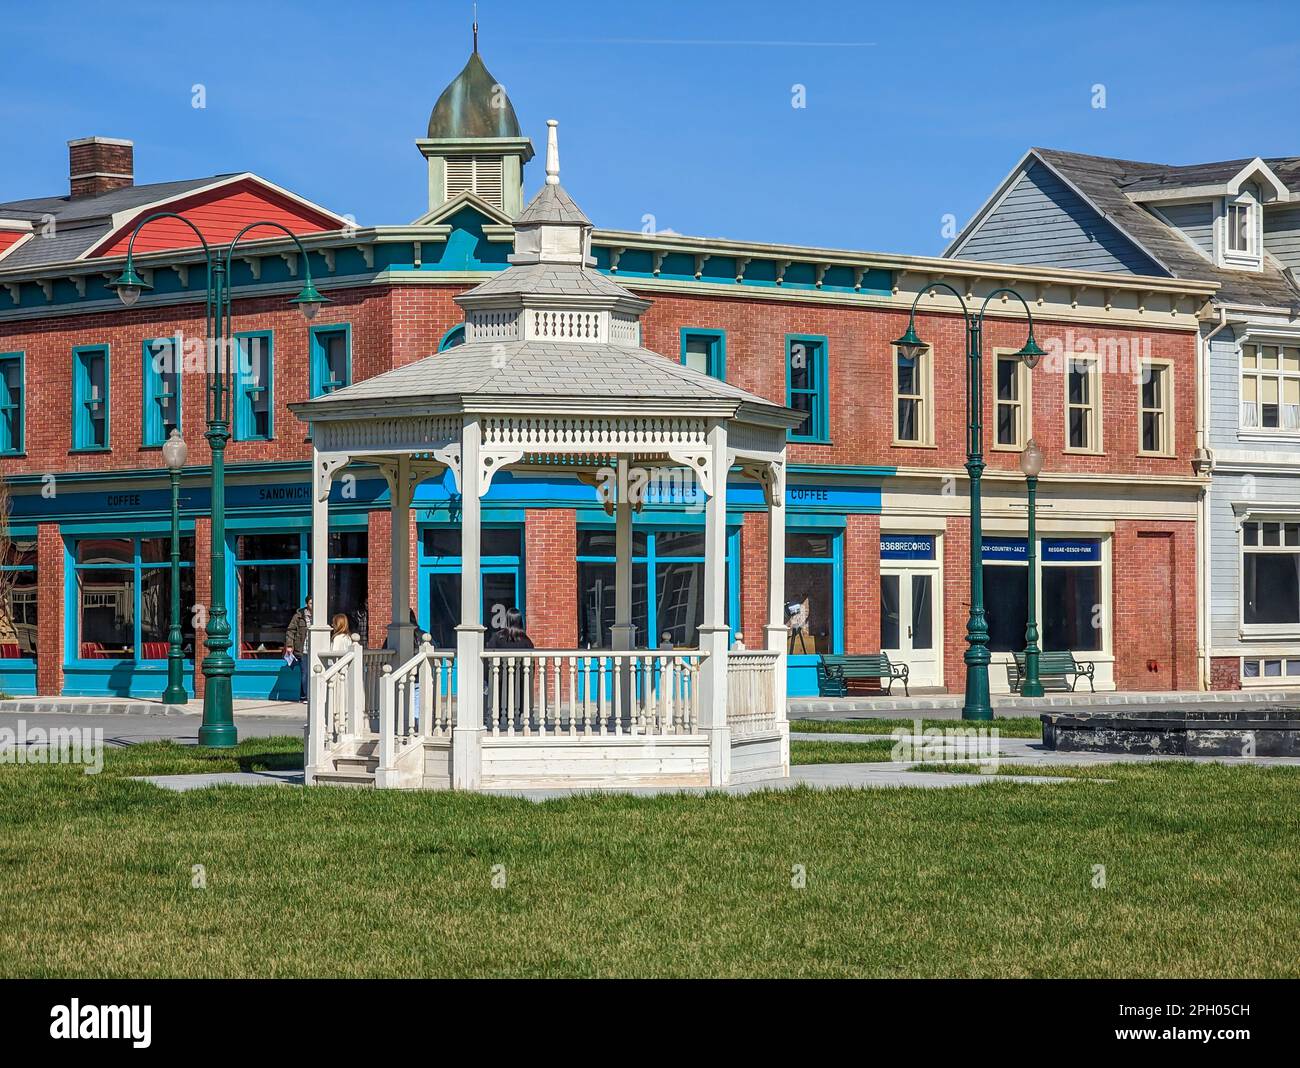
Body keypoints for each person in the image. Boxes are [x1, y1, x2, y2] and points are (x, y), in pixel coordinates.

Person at [484, 608, 534, 723]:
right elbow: (531, 666)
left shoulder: (497, 637)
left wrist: (487, 679)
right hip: (520, 684)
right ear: (520, 621)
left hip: (499, 683)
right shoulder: (527, 641)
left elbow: (488, 659)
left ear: (507, 620)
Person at [285, 597, 313, 702]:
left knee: (313, 672)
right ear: (307, 604)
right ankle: (306, 696)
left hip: (315, 649)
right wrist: (289, 645)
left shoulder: (319, 615)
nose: (312, 605)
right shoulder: (299, 616)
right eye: (310, 603)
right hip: (303, 649)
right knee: (305, 672)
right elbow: (290, 631)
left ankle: (303, 695)